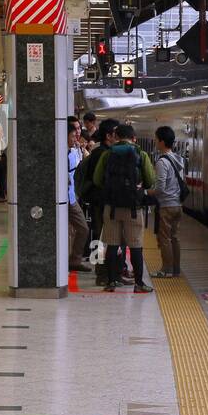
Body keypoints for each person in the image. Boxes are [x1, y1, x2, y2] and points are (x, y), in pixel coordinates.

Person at [92, 122, 154, 293]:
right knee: (136, 246)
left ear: (116, 137)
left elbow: (97, 180)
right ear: (134, 138)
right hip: (134, 208)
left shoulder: (107, 154)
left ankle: (112, 281)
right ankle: (139, 283)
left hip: (111, 208)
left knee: (111, 245)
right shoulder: (141, 154)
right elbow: (150, 181)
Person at [76, 118, 117, 284]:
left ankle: (101, 270)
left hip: (98, 200)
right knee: (100, 237)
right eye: (116, 133)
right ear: (108, 136)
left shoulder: (100, 151)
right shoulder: (102, 153)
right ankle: (100, 272)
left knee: (99, 235)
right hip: (100, 201)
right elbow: (98, 179)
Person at [149, 126, 188, 279]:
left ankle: (166, 269)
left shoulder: (162, 162)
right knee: (174, 237)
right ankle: (176, 269)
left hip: (166, 206)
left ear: (162, 142)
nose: (155, 141)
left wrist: (145, 192)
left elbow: (160, 188)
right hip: (178, 205)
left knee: (164, 238)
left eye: (156, 139)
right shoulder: (178, 159)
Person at [66, 124, 91, 272]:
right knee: (78, 229)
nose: (76, 138)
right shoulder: (59, 152)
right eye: (73, 135)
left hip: (71, 196)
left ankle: (75, 259)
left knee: (82, 229)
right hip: (65, 197)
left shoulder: (74, 151)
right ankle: (72, 259)